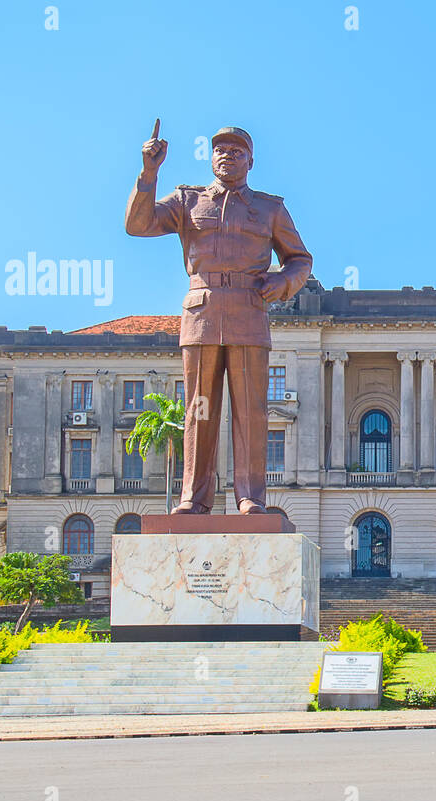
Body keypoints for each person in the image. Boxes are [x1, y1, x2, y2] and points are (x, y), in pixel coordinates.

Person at [126, 123, 313, 515]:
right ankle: (194, 498)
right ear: (211, 158)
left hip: (249, 308)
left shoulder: (269, 208)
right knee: (199, 407)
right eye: (220, 149)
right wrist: (149, 172)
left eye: (237, 150)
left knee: (251, 410)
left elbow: (300, 259)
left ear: (251, 160)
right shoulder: (187, 201)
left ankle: (250, 497)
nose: (227, 154)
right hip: (202, 310)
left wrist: (281, 284)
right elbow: (138, 225)